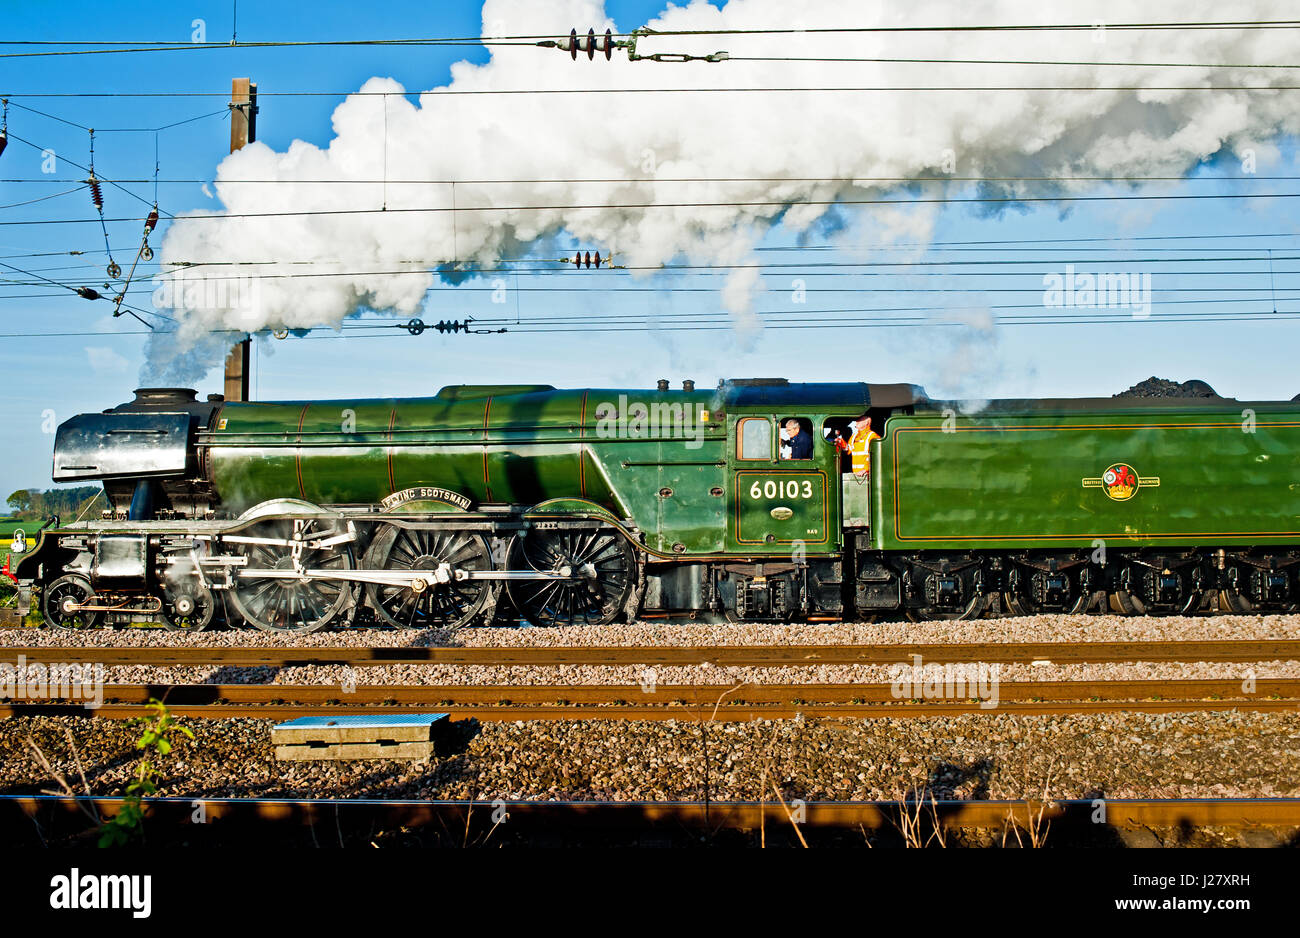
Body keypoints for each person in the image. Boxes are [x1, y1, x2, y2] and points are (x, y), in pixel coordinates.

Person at [846, 414, 881, 479]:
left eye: (860, 420)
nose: (857, 421)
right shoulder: (854, 436)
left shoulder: (873, 436)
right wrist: (840, 442)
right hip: (856, 475)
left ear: (867, 422)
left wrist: (865, 469)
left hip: (868, 475)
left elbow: (876, 456)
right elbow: (848, 450)